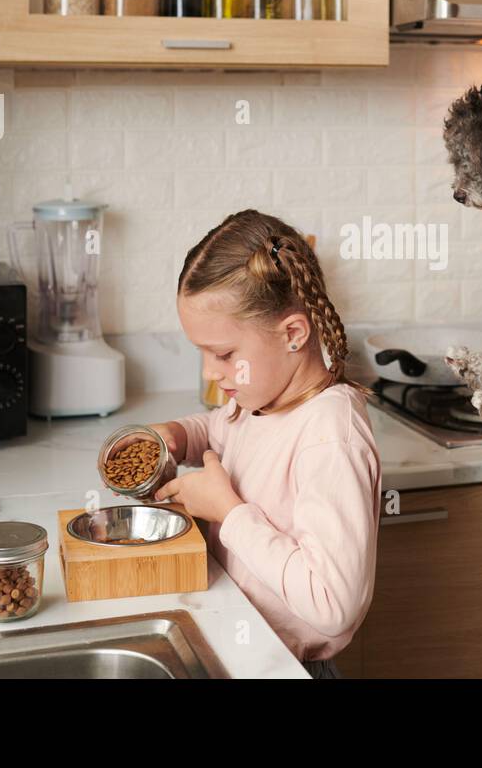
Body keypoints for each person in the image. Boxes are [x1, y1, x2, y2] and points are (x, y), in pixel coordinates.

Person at [144, 210, 381, 680]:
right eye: (203, 353)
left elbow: (333, 604)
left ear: (292, 333)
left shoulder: (329, 435)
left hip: (287, 667)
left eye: (225, 354)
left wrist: (228, 513)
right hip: (234, 644)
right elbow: (220, 429)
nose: (211, 372)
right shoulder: (261, 396)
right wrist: (179, 435)